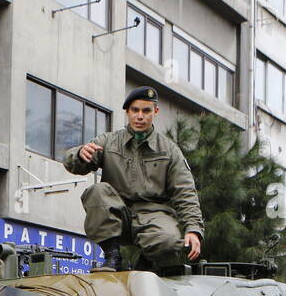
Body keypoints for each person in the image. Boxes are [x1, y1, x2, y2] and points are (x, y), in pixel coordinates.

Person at [62, 85, 204, 272]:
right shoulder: (109, 141)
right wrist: (79, 154)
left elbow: (185, 192)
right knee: (96, 191)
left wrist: (193, 229)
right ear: (127, 112)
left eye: (146, 111)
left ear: (155, 111)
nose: (140, 116)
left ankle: (146, 261)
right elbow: (76, 165)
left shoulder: (169, 150)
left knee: (171, 241)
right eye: (135, 110)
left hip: (154, 217)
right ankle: (112, 256)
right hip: (118, 215)